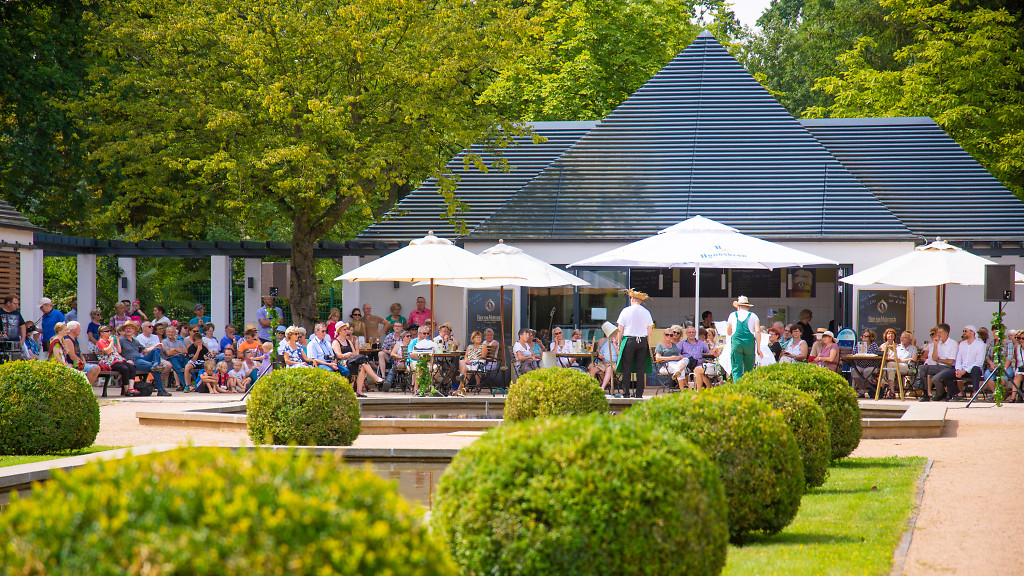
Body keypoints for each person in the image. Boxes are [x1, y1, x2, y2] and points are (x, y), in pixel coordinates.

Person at [616, 289, 655, 398]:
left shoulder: (626, 311)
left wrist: (619, 344)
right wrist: (648, 344)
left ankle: (626, 393)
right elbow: (650, 332)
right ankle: (639, 394)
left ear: (632, 299)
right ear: (641, 301)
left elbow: (620, 329)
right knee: (640, 369)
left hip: (629, 340)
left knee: (627, 367)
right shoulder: (646, 312)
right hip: (642, 341)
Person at [934, 325, 985, 402]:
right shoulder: (962, 344)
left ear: (972, 332)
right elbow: (958, 359)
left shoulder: (980, 344)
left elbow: (979, 361)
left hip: (973, 369)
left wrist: (964, 370)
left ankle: (975, 393)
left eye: (966, 331)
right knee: (946, 375)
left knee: (975, 369)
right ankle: (957, 394)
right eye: (963, 331)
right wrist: (958, 369)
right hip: (962, 369)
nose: (964, 333)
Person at [120, 322, 172, 396]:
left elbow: (145, 350)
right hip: (133, 361)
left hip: (140, 359)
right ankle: (161, 390)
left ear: (134, 330)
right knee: (155, 368)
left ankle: (156, 364)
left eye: (131, 328)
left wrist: (156, 346)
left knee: (156, 349)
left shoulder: (135, 341)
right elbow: (117, 352)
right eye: (127, 328)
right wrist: (125, 360)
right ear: (124, 330)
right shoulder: (121, 340)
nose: (129, 330)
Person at [334, 322, 382, 397]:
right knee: (362, 360)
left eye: (346, 329)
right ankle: (375, 377)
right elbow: (339, 355)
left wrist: (353, 349)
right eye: (344, 329)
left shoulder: (348, 341)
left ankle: (359, 391)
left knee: (362, 364)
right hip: (342, 361)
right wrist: (346, 355)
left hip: (351, 359)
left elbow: (355, 353)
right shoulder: (336, 342)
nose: (346, 331)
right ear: (339, 331)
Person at [96, 325, 140, 396]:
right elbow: (107, 352)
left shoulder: (110, 341)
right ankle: (126, 389)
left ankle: (131, 388)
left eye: (110, 331)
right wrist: (112, 342)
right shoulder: (101, 342)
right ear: (102, 333)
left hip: (118, 361)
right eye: (107, 331)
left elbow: (119, 351)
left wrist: (117, 341)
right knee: (124, 369)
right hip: (108, 362)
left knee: (132, 367)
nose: (109, 332)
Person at [726, 295, 761, 381]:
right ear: (748, 307)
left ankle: (738, 389)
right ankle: (747, 389)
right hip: (749, 345)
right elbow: (757, 331)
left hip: (737, 344)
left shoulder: (732, 315)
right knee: (749, 369)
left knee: (736, 368)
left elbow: (729, 332)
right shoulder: (753, 316)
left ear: (738, 307)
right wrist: (758, 349)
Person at [923, 324, 958, 402]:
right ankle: (925, 393)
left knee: (935, 378)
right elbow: (934, 358)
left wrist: (939, 360)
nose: (938, 334)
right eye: (937, 332)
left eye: (940, 332)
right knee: (923, 368)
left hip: (949, 367)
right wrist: (935, 345)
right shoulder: (938, 343)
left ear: (946, 333)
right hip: (939, 366)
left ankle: (941, 393)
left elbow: (950, 361)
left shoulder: (953, 344)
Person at [407, 325, 438, 394]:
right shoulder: (413, 341)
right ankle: (416, 388)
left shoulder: (429, 342)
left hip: (427, 362)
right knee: (421, 367)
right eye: (424, 333)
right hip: (414, 361)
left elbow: (433, 354)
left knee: (437, 368)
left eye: (428, 333)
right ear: (419, 333)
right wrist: (423, 358)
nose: (426, 335)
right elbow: (411, 355)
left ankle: (428, 387)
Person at [679, 325, 712, 390]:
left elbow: (708, 353)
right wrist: (682, 357)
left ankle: (707, 388)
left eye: (693, 332)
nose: (691, 334)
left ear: (695, 333)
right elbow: (677, 353)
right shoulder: (682, 343)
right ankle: (688, 387)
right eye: (689, 332)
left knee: (702, 370)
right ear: (686, 334)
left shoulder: (701, 343)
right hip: (687, 364)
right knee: (682, 370)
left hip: (699, 363)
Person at [851, 329, 881, 395]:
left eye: (866, 336)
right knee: (854, 371)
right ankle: (861, 389)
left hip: (871, 366)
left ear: (871, 337)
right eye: (863, 336)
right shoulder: (859, 345)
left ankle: (864, 389)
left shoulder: (873, 345)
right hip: (860, 365)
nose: (863, 337)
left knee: (866, 371)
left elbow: (876, 356)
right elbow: (853, 354)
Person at [162, 325, 190, 391]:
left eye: (172, 332)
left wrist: (175, 349)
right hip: (171, 358)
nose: (170, 333)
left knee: (190, 367)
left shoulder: (179, 342)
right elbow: (168, 353)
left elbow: (186, 351)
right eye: (169, 332)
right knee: (179, 369)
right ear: (166, 333)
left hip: (182, 357)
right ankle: (186, 386)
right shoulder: (164, 342)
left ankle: (195, 385)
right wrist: (179, 350)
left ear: (175, 333)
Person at [458, 331, 486, 396]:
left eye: (480, 337)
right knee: (462, 362)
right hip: (469, 364)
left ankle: (462, 386)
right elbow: (465, 356)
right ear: (473, 338)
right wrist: (467, 361)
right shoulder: (469, 346)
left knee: (474, 366)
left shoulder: (483, 346)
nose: (479, 338)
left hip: (478, 363)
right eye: (477, 337)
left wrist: (473, 361)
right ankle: (464, 385)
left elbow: (483, 356)